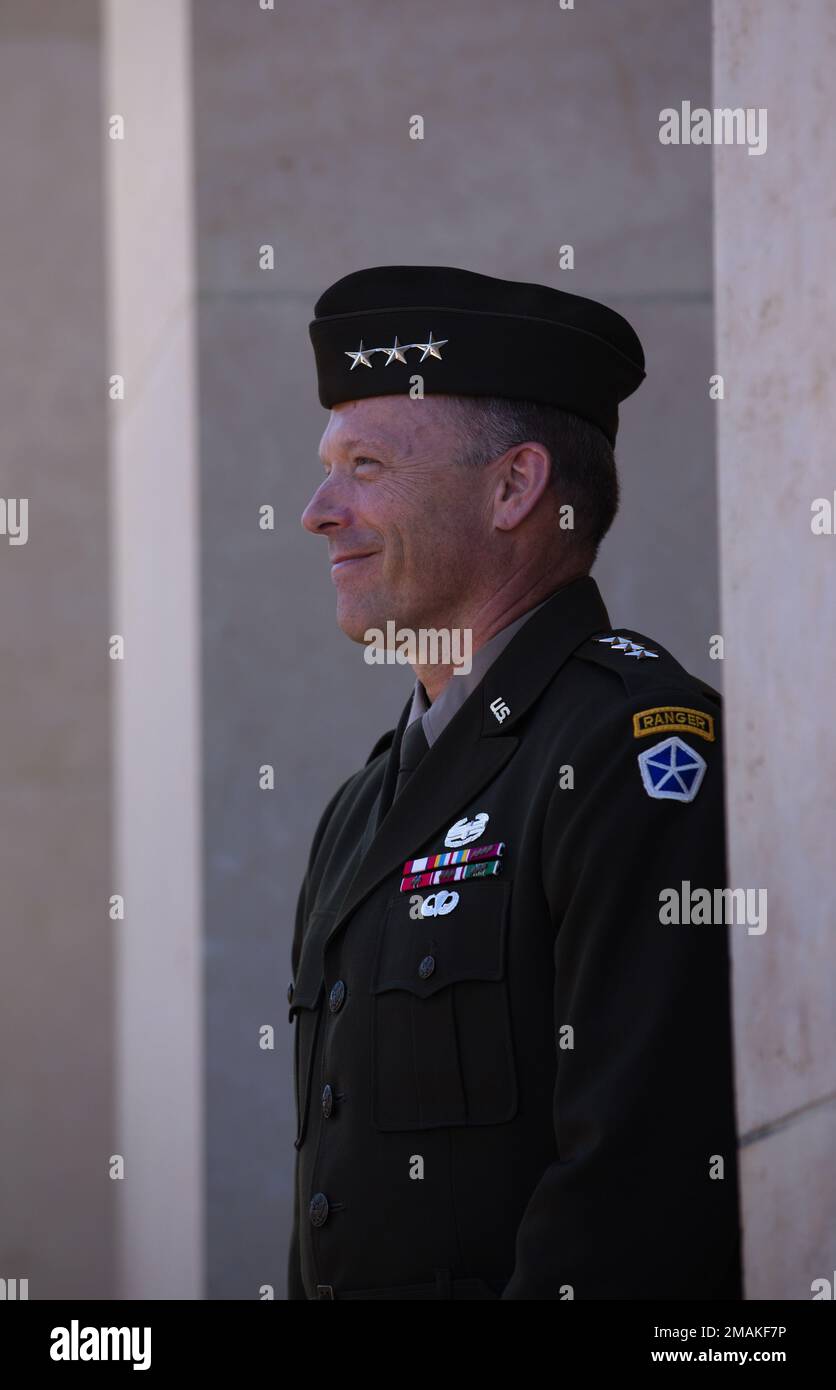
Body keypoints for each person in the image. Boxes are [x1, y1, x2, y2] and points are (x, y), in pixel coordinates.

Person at [287, 264, 742, 1300]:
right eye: (327, 466)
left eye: (365, 464)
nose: (317, 510)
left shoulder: (635, 750)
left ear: (512, 487)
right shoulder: (357, 812)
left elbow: (639, 1194)